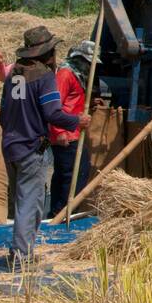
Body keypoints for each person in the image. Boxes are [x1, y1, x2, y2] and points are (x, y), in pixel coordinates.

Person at [0, 26, 90, 268]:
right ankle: (21, 256)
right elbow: (53, 113)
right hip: (31, 147)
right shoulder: (43, 76)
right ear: (48, 53)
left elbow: (4, 111)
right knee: (31, 203)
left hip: (10, 145)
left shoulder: (14, 75)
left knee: (21, 200)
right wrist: (76, 121)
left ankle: (18, 250)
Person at [47, 40, 110, 219]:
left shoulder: (77, 76)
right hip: (66, 133)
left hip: (72, 131)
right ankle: (61, 214)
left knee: (64, 175)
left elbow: (72, 102)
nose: (91, 67)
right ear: (80, 59)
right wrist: (59, 132)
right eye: (89, 63)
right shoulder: (66, 74)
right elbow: (55, 106)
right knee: (73, 176)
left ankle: (57, 214)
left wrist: (88, 105)